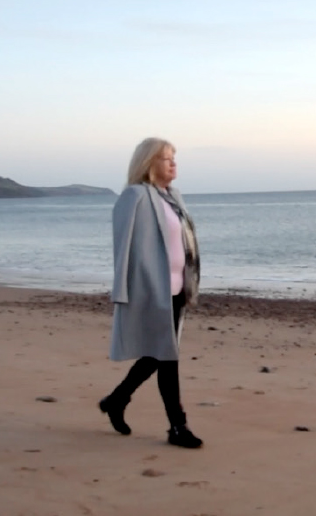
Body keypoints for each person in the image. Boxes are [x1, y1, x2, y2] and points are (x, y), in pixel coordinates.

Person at [99, 137, 203, 449]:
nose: (173, 164)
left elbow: (184, 245)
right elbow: (124, 246)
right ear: (148, 163)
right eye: (165, 158)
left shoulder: (172, 196)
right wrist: (125, 290)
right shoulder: (135, 196)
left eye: (174, 158)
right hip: (151, 290)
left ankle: (116, 400)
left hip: (175, 288)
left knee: (159, 354)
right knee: (167, 357)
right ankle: (177, 427)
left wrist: (188, 283)